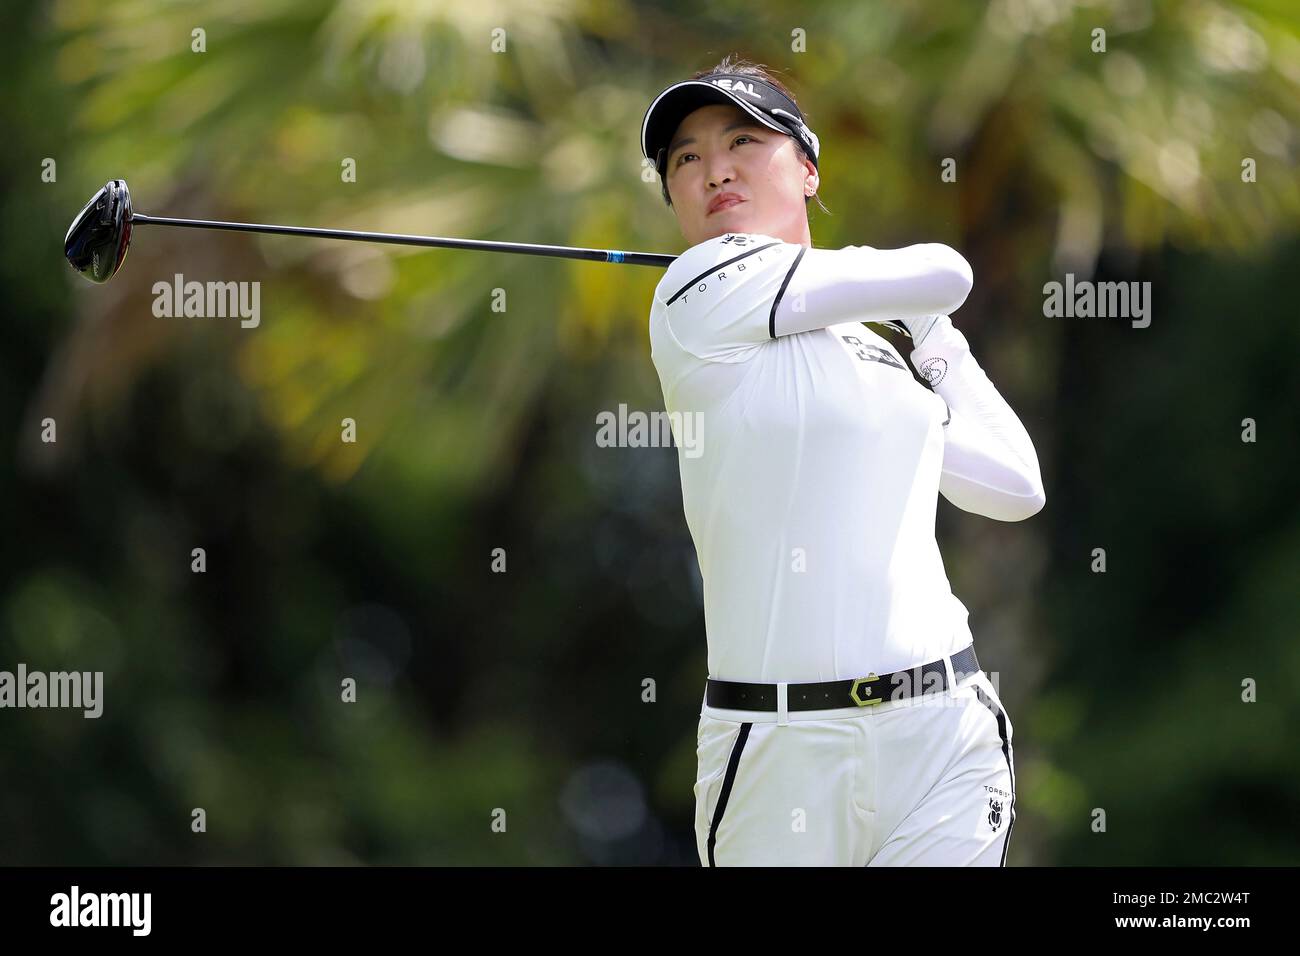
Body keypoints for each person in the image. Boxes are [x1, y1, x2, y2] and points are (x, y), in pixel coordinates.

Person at [640, 56, 1045, 866]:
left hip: (942, 732)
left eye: (743, 140)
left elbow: (1015, 485)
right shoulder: (695, 293)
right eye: (685, 158)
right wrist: (909, 296)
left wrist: (935, 342)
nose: (714, 168)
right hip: (779, 754)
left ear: (807, 165)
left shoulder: (877, 356)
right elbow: (947, 270)